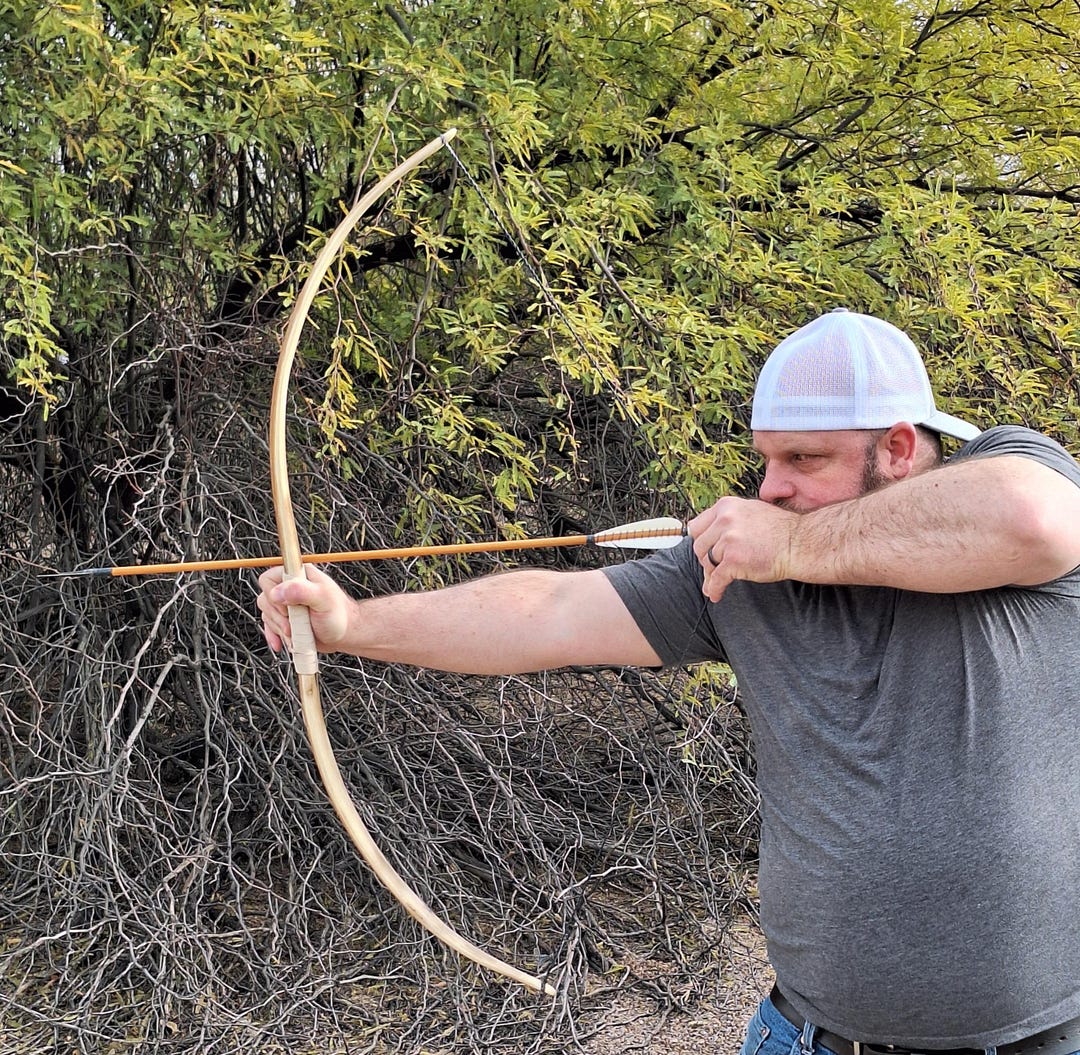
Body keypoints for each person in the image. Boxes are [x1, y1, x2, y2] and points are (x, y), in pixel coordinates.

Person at [258, 308, 1080, 1055]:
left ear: (899, 449)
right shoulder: (742, 572)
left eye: (803, 459)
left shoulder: (1011, 479)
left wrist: (792, 546)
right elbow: (548, 609)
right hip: (810, 1035)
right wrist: (351, 625)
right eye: (764, 460)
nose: (770, 489)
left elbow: (1034, 520)